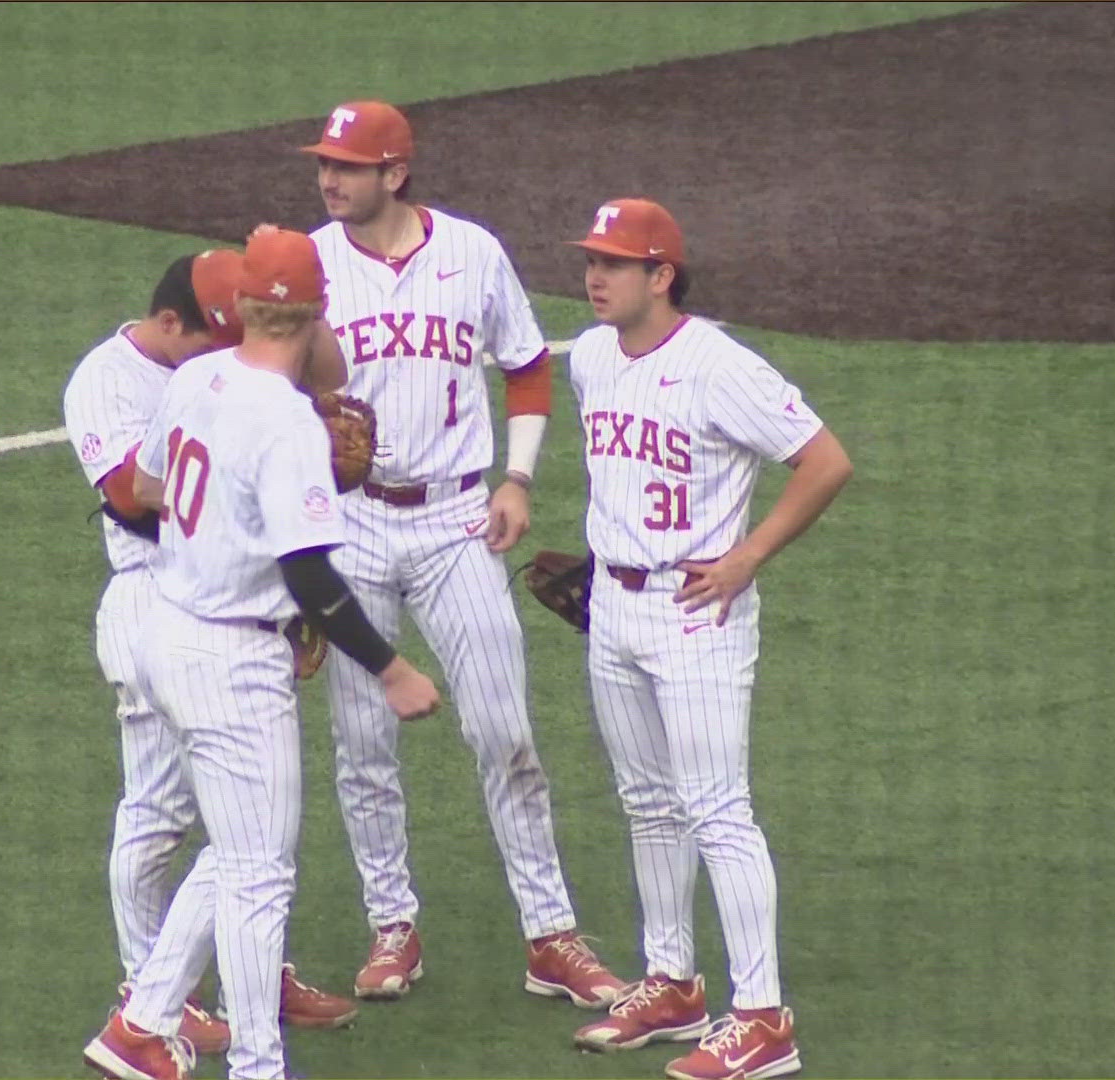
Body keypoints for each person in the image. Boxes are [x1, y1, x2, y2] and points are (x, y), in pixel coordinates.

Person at [81, 226, 442, 1080]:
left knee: (240, 850)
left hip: (167, 629)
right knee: (259, 877)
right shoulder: (286, 423)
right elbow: (310, 570)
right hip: (234, 662)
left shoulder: (198, 375)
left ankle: (142, 1025)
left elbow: (152, 489)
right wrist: (391, 669)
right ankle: (256, 1065)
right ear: (316, 312)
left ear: (242, 306)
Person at [296, 100, 627, 1008]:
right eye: (324, 164)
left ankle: (550, 935)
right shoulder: (308, 264)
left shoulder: (473, 252)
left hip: (453, 525)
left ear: (395, 173)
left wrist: (516, 480)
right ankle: (390, 925)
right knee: (363, 742)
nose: (329, 179)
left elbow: (524, 364)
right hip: (350, 527)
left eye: (348, 166)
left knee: (504, 731)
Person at [558, 198, 851, 1080]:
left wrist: (748, 556)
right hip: (613, 608)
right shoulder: (591, 359)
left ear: (662, 276)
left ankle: (763, 1018)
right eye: (591, 261)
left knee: (718, 810)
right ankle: (672, 980)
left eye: (614, 264)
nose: (594, 277)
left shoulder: (720, 366)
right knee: (647, 801)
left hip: (698, 612)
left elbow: (825, 460)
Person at [62, 249, 357, 1061]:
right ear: (168, 324)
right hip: (160, 604)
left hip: (211, 597)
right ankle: (150, 994)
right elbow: (129, 498)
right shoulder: (108, 379)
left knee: (240, 837)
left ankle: (195, 995)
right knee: (161, 814)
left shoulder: (209, 377)